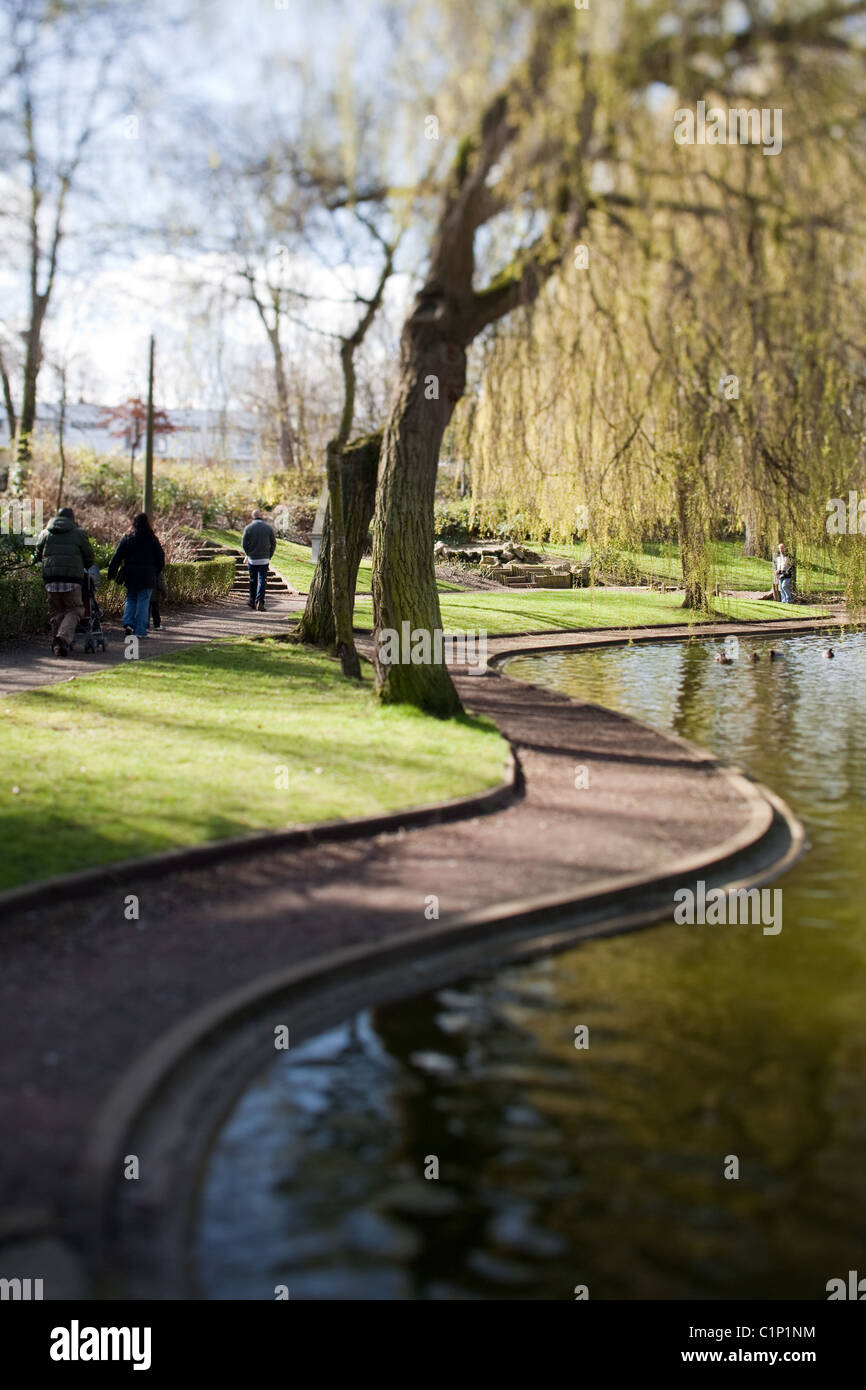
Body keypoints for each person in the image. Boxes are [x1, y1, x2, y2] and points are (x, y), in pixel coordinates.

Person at [33, 507, 96, 658]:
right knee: (75, 610)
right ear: (72, 518)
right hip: (72, 578)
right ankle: (62, 638)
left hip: (50, 578)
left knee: (56, 611)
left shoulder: (45, 533)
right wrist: (85, 567)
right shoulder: (79, 534)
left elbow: (37, 554)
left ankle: (57, 646)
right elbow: (89, 557)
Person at [107, 513, 165, 638]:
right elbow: (161, 558)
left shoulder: (127, 538)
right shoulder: (152, 539)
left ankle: (128, 623)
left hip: (131, 575)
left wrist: (111, 573)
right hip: (148, 575)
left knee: (131, 599)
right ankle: (140, 631)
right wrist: (156, 571)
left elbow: (117, 556)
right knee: (144, 602)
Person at [241, 508, 276, 611]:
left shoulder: (248, 528)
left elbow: (243, 544)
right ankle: (260, 601)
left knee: (253, 580)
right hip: (264, 559)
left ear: (253, 516)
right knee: (262, 580)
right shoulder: (268, 528)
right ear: (261, 516)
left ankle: (251, 601)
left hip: (252, 559)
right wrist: (269, 555)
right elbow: (273, 543)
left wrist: (248, 553)